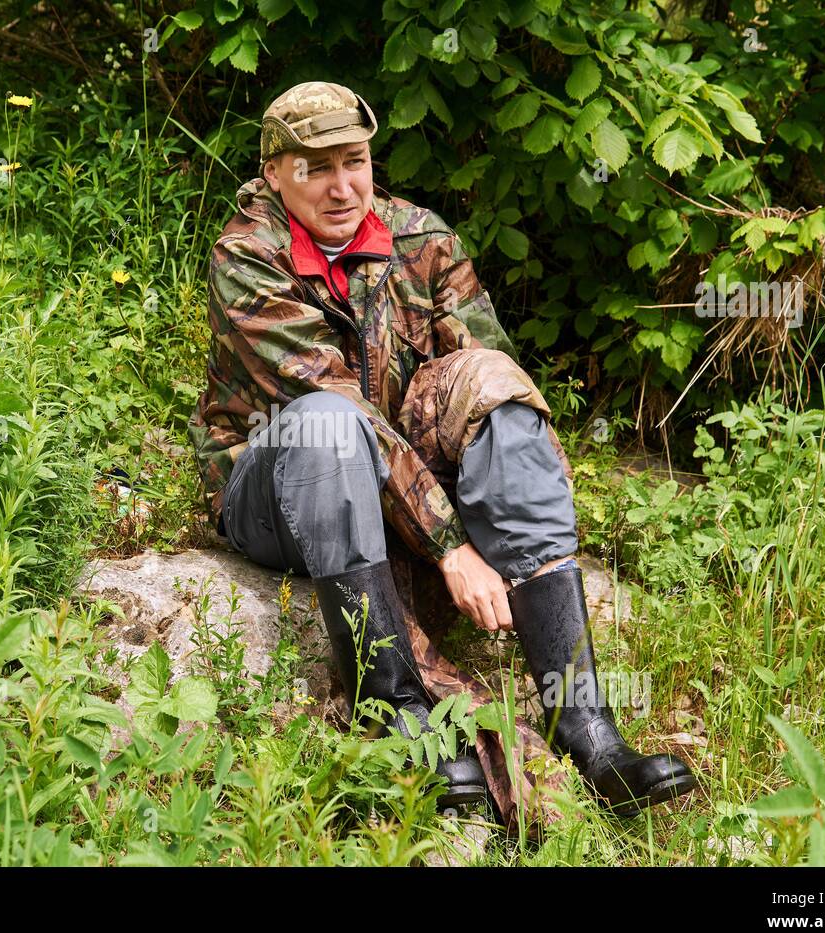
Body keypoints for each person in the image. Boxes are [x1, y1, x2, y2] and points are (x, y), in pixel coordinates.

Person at [187, 81, 696, 817]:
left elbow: (490, 389)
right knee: (331, 421)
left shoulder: (420, 236)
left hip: (401, 477)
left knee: (496, 383)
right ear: (274, 173)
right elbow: (344, 407)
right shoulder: (247, 257)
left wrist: (478, 510)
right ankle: (399, 717)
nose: (342, 187)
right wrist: (452, 546)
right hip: (279, 493)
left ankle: (585, 726)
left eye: (355, 161)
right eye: (316, 168)